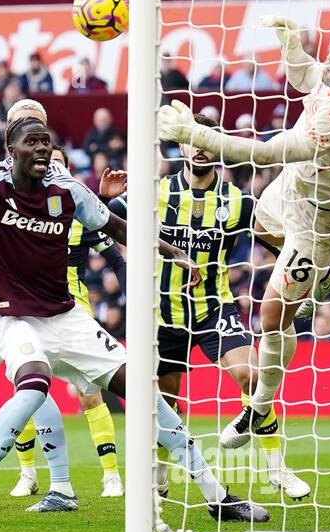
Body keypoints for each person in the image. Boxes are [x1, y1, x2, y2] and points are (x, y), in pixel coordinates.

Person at [0, 53, 266, 524]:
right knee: (33, 385)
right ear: (10, 149)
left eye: (47, 141)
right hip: (15, 318)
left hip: (67, 316)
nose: (42, 148)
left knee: (144, 393)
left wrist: (173, 252)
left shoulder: (68, 192)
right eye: (31, 142)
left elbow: (118, 227)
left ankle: (216, 494)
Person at [159, 15, 330, 458]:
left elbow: (267, 151)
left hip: (321, 219)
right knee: (255, 221)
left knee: (271, 318)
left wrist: (196, 134)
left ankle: (260, 406)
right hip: (293, 187)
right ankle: (323, 276)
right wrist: (291, 42)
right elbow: (307, 76)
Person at [100, 117, 311, 499]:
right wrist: (105, 198)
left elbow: (277, 242)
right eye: (192, 142)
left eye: (206, 141)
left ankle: (277, 469)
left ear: (218, 148)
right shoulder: (155, 192)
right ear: (181, 148)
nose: (199, 148)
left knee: (251, 375)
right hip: (162, 315)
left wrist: (307, 265)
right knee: (166, 402)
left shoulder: (238, 201)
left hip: (215, 308)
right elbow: (98, 221)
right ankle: (160, 472)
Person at [0, 136, 128, 498]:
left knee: (85, 394)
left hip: (66, 309)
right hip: (8, 302)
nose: (54, 169)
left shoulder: (73, 206)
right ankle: (20, 473)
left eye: (60, 164)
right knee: (21, 386)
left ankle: (104, 475)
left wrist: (107, 201)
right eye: (51, 162)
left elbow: (113, 248)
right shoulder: (4, 192)